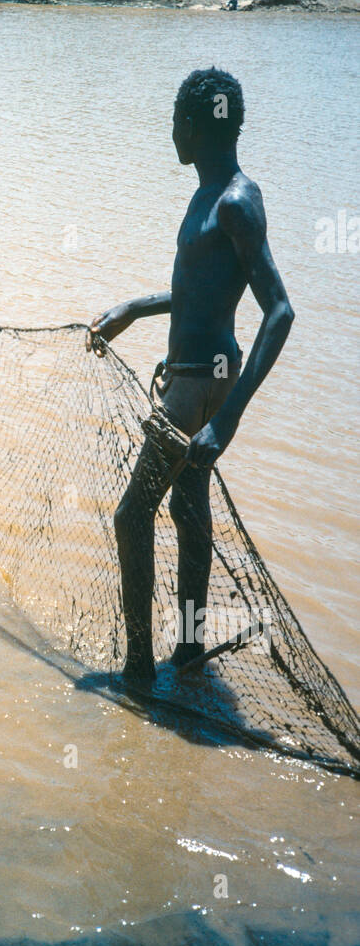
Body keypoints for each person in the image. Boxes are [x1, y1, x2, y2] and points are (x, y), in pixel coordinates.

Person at [86, 68, 294, 689]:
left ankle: (138, 669)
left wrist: (225, 423)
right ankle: (189, 650)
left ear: (201, 126)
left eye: (179, 120)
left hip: (205, 385)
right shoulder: (207, 194)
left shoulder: (235, 199)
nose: (172, 132)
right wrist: (134, 309)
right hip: (193, 374)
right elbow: (197, 292)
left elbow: (279, 310)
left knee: (131, 515)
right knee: (187, 506)